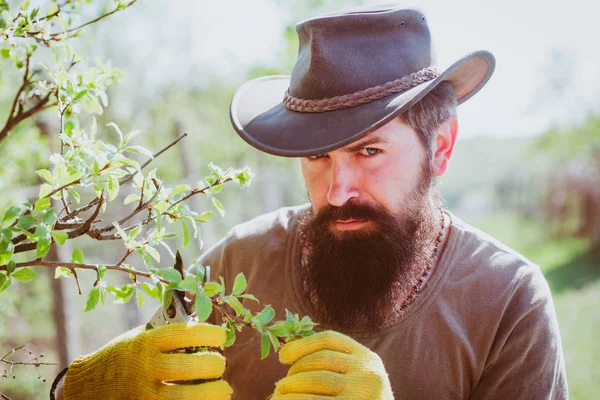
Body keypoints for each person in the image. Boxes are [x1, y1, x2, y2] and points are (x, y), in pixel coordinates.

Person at [53, 5, 568, 400]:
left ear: (442, 148)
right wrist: (86, 386)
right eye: (317, 155)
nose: (337, 190)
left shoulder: (508, 301)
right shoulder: (237, 265)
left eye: (370, 151)